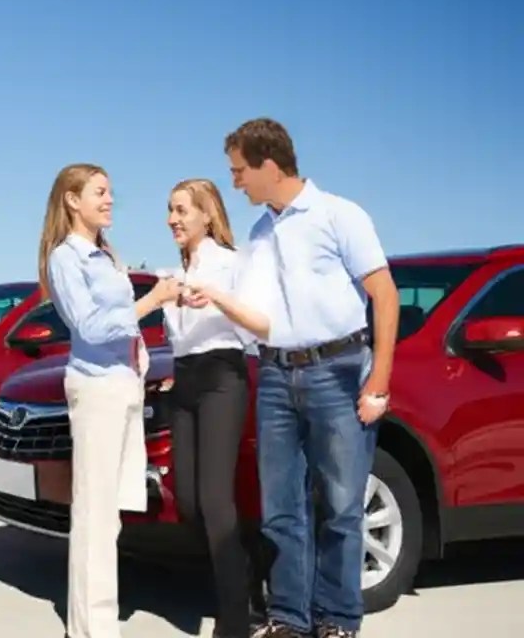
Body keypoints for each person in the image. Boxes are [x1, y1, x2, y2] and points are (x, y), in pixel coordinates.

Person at [184, 118, 399, 638]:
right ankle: (289, 619)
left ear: (269, 166)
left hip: (338, 371)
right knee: (281, 509)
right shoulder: (260, 234)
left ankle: (339, 619)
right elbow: (257, 313)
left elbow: (385, 296)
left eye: (239, 171)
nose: (234, 182)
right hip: (277, 376)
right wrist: (210, 299)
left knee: (342, 506)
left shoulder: (338, 216)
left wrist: (379, 384)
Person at [37, 163, 180, 638]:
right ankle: (91, 628)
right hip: (96, 388)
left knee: (111, 512)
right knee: (94, 511)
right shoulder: (67, 258)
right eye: (99, 192)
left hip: (122, 386)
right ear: (72, 201)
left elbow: (121, 328)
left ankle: (99, 619)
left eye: (111, 192)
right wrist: (151, 301)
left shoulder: (106, 256)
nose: (110, 199)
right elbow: (92, 327)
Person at [160, 178, 254, 638]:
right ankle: (241, 575)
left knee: (216, 500)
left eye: (181, 210)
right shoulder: (173, 271)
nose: (173, 219)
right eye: (171, 210)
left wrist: (216, 297)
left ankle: (236, 619)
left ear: (207, 215)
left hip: (223, 378)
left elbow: (256, 328)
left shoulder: (231, 264)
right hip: (186, 379)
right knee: (189, 502)